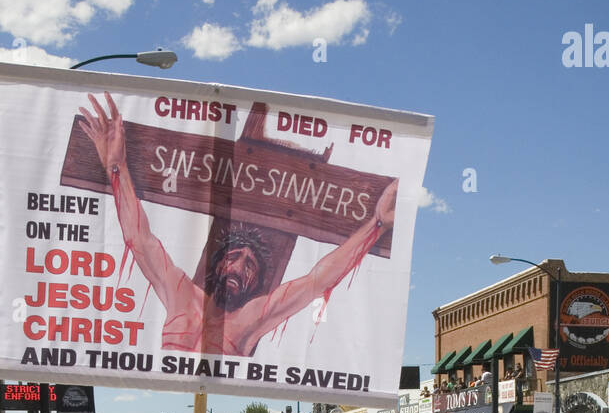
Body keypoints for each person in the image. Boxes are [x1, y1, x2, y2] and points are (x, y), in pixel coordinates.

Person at [77, 92, 397, 358]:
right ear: (218, 263)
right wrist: (116, 166)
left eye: (250, 265)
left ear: (257, 279)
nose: (240, 267)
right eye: (235, 256)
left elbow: (317, 280)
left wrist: (377, 224)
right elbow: (139, 238)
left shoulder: (247, 320)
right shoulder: (179, 293)